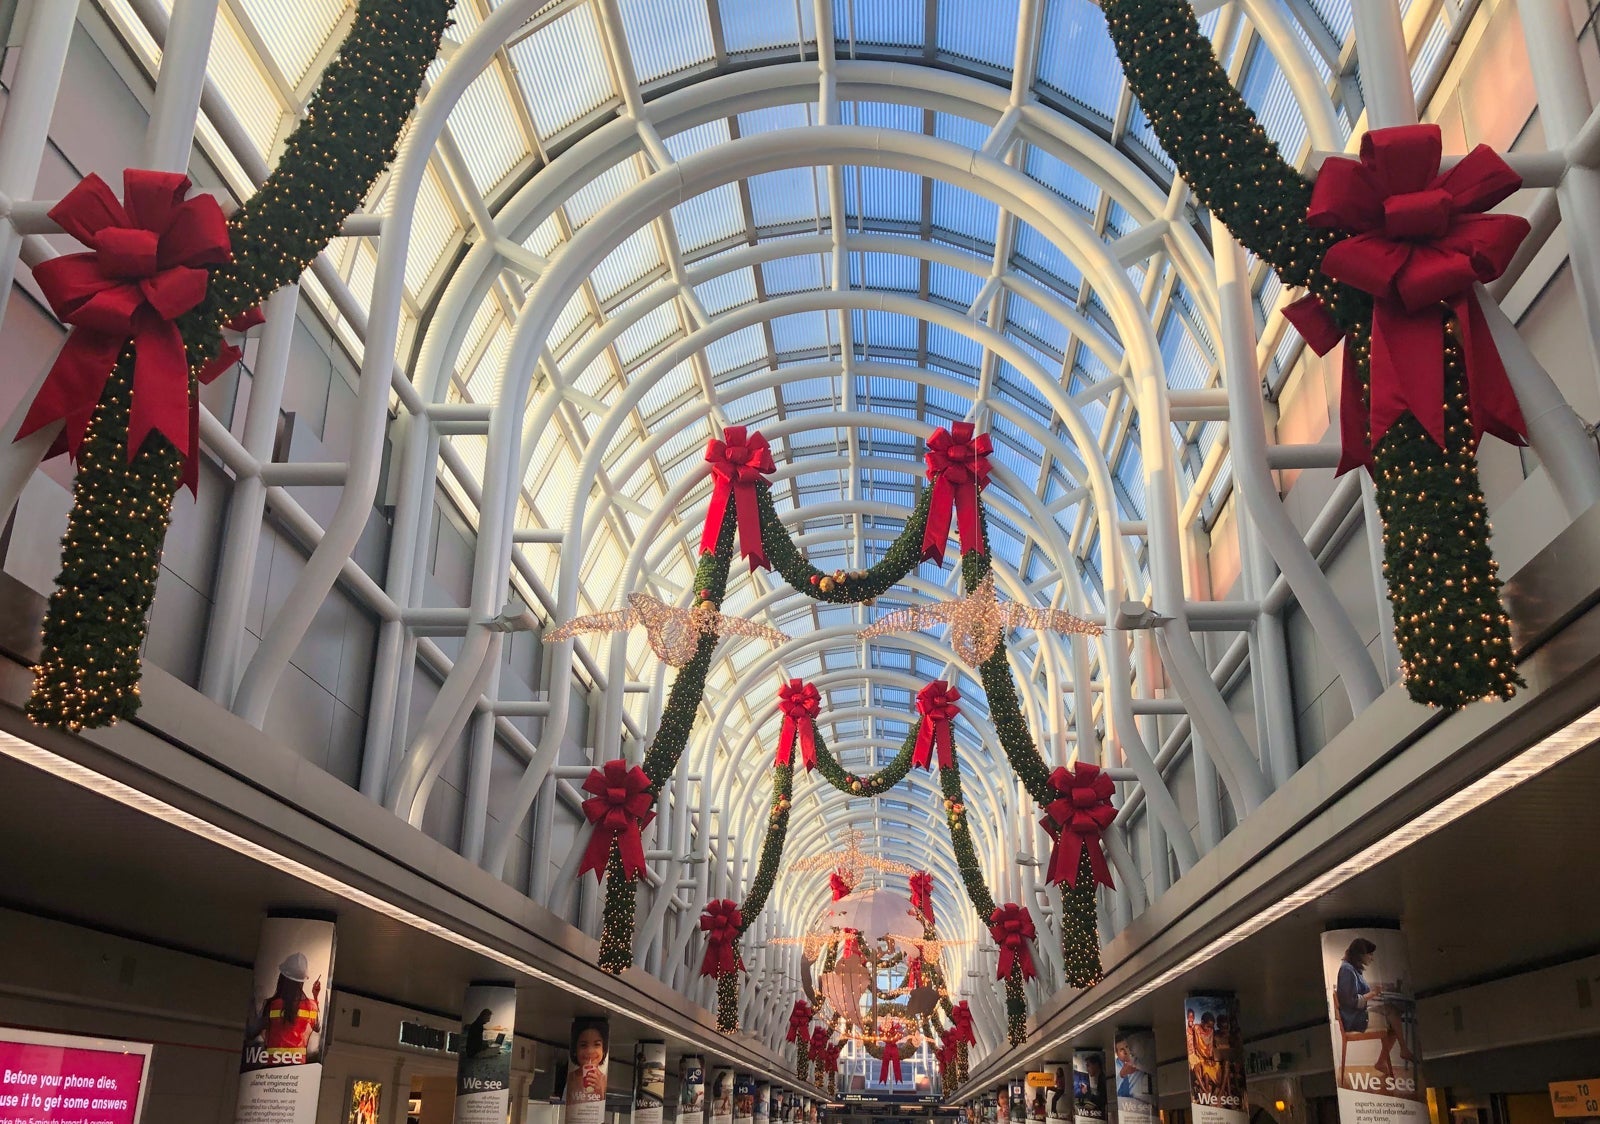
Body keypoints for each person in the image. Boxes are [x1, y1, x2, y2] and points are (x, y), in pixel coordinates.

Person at [1335, 939, 1415, 1078]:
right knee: (1392, 1015)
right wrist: (1372, 994)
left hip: (1357, 1014)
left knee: (1392, 1016)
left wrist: (1374, 991)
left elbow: (1357, 993)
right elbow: (1350, 1001)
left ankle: (1387, 1058)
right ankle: (1400, 1051)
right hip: (1354, 1020)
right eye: (1370, 954)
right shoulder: (1347, 970)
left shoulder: (1353, 969)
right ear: (1360, 954)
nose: (1372, 958)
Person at [245, 952, 323, 1064]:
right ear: (302, 981)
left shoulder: (271, 1004)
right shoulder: (311, 1006)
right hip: (298, 1068)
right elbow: (318, 1027)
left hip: (273, 1066)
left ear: (282, 978)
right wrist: (315, 997)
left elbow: (251, 1032)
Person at [565, 1023, 609, 1102]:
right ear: (575, 1050)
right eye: (583, 1045)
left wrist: (599, 1091)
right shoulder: (570, 1078)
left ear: (604, 1050)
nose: (590, 1051)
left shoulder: (604, 1080)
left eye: (597, 1044)